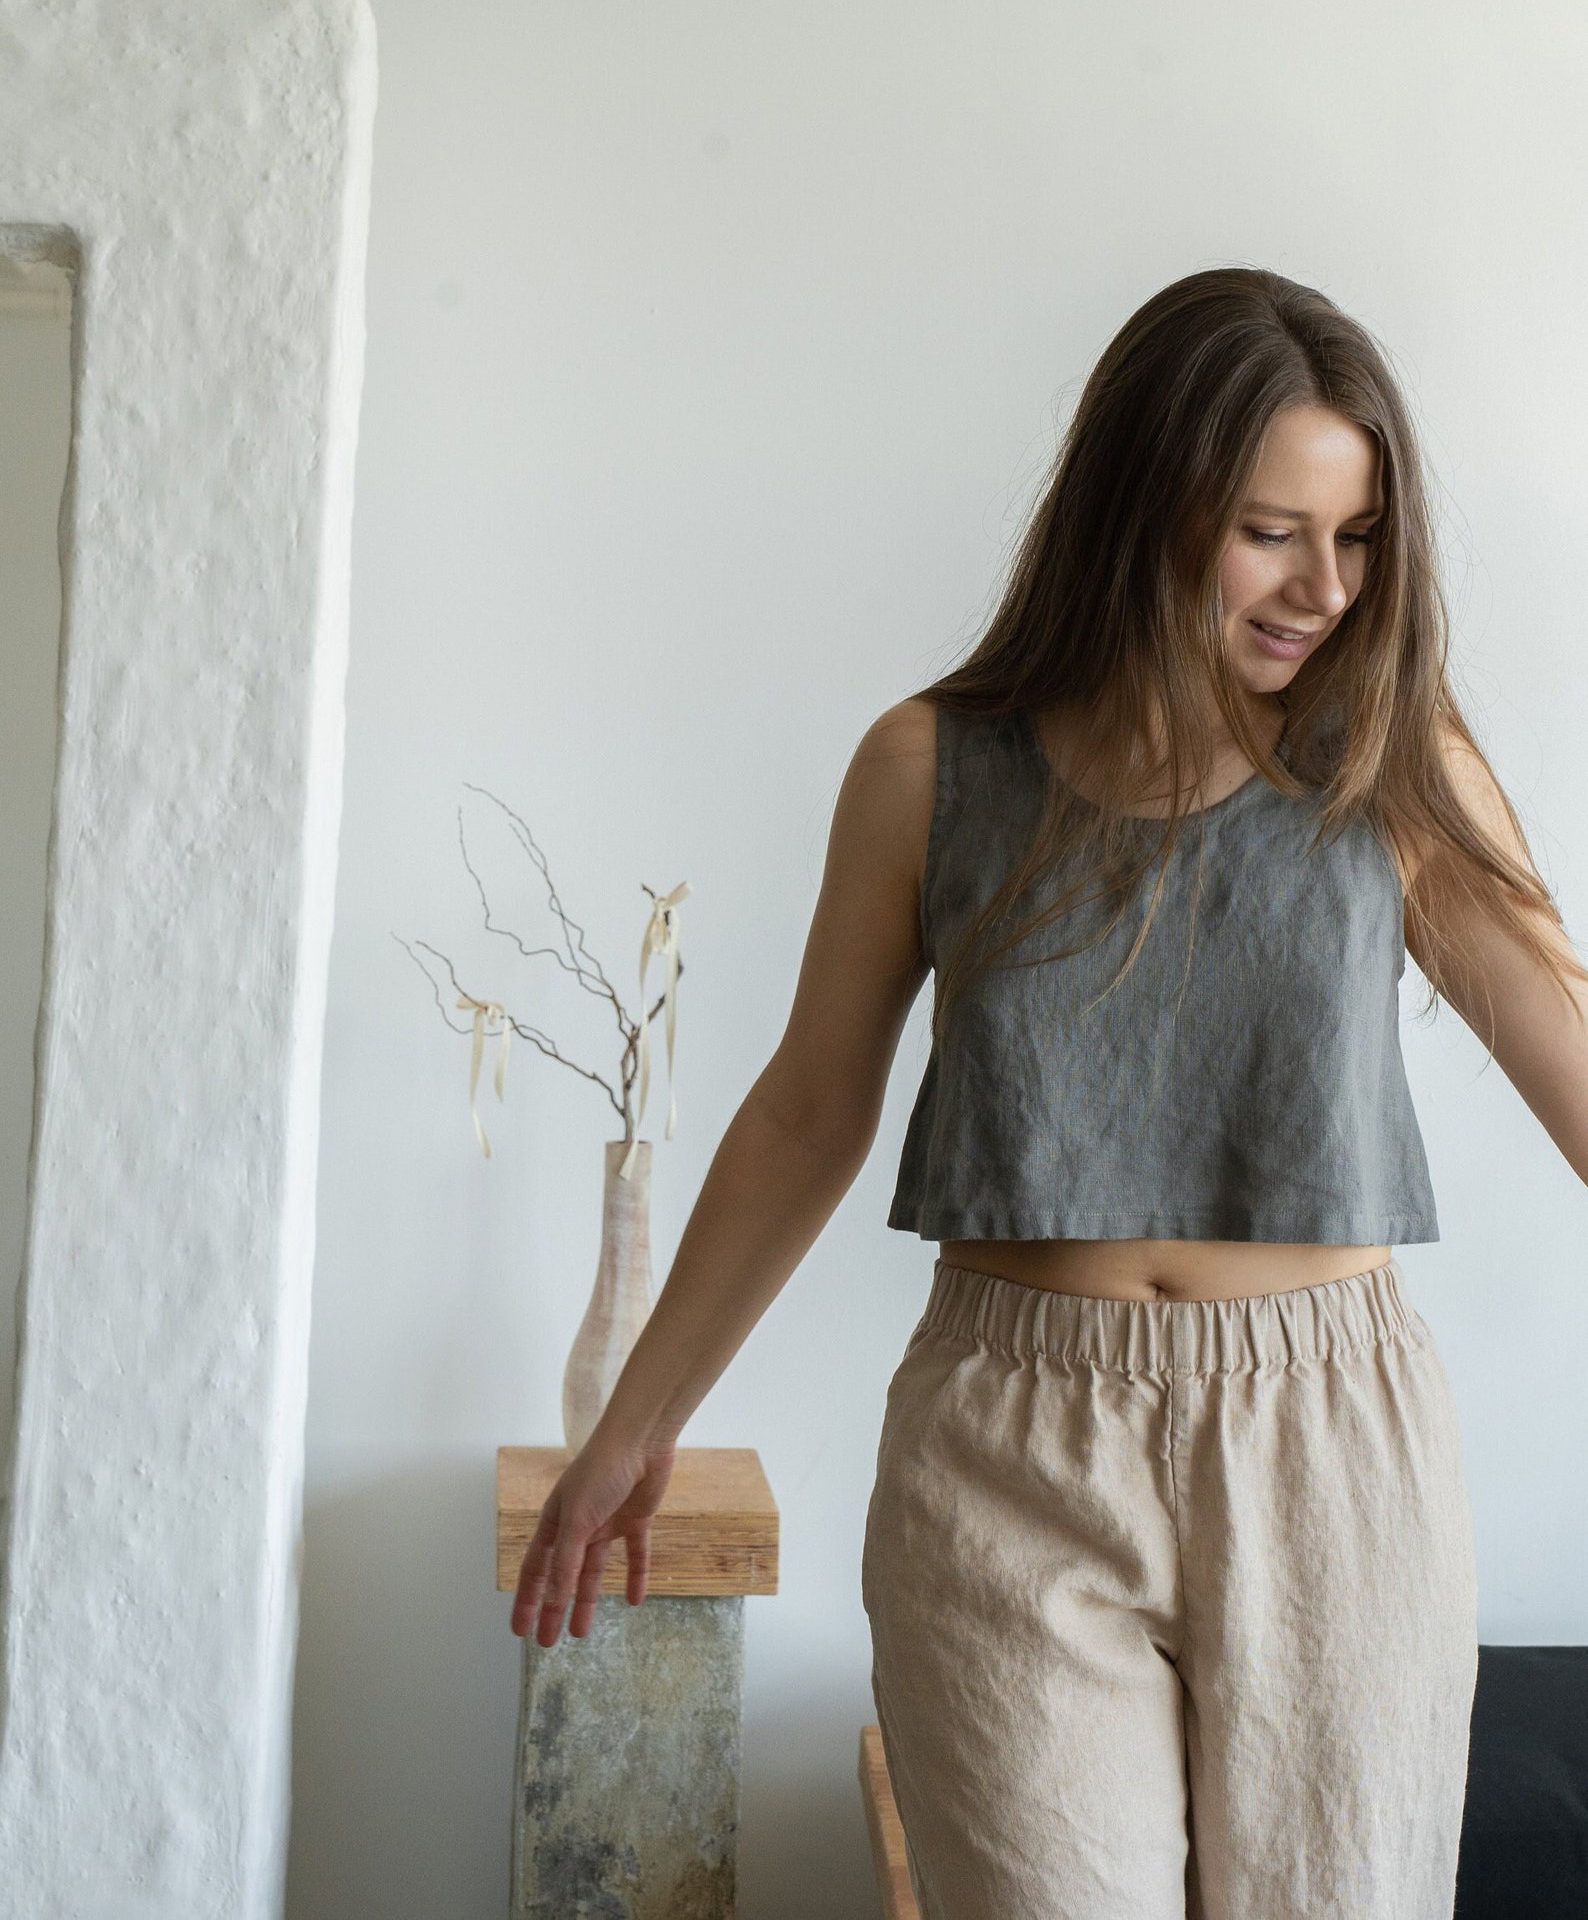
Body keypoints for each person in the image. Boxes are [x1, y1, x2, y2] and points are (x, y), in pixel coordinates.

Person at [510, 268, 1588, 1918]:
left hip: (1330, 1443)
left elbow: (1564, 1049)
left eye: (1357, 535)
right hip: (1010, 1440)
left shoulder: (1393, 759)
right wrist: (632, 1425)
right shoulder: (932, 768)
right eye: (1266, 528)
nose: (1322, 585)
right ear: (1140, 506)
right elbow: (809, 1109)